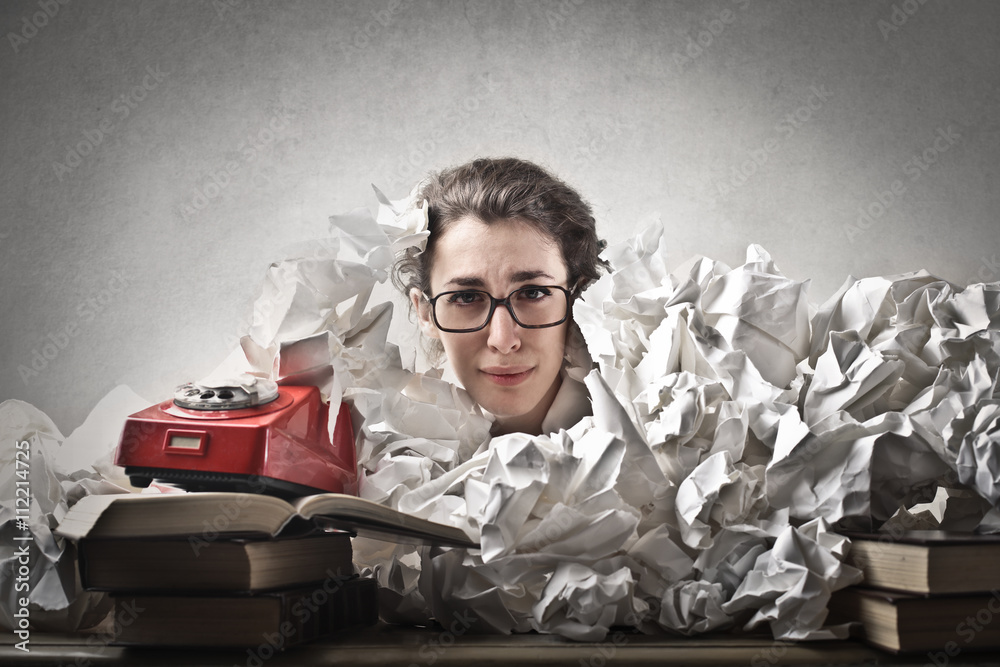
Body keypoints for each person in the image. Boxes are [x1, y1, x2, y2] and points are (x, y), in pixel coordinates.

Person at [393, 157, 608, 436]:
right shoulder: (375, 458)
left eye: (533, 293)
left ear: (579, 297)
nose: (503, 341)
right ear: (425, 312)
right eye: (467, 297)